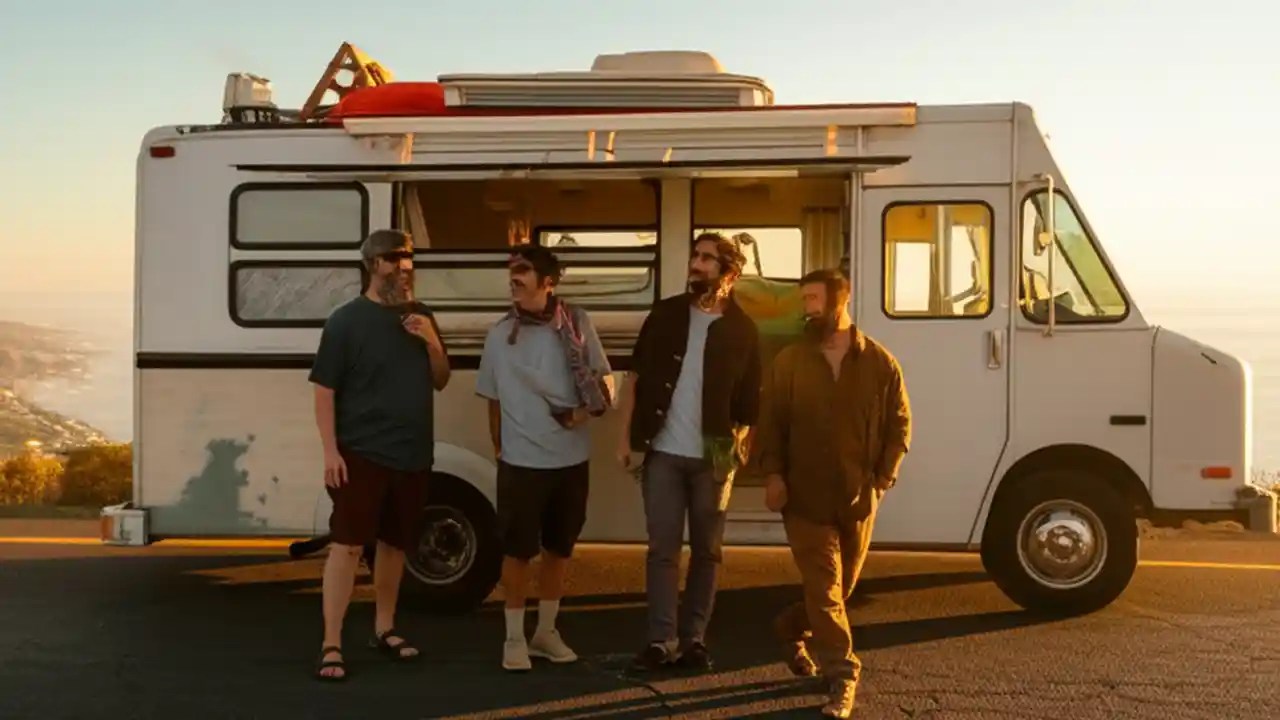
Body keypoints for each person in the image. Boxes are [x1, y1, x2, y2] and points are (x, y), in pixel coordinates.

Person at [755, 268, 911, 718]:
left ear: (840, 302)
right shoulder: (790, 361)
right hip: (804, 497)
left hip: (858, 497)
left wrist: (884, 477)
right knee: (825, 591)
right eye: (803, 300)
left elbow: (901, 424)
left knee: (840, 592)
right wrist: (773, 475)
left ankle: (789, 626)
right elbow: (772, 423)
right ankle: (842, 676)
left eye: (813, 300)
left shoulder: (880, 362)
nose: (807, 308)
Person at [308, 229, 451, 682]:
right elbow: (324, 391)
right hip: (362, 452)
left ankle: (384, 628)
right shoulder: (345, 320)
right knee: (348, 546)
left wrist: (430, 339)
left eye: (409, 260)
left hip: (411, 453)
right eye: (394, 260)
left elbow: (442, 378)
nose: (404, 268)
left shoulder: (422, 315)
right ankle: (332, 643)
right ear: (373, 265)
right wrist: (331, 450)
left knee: (394, 545)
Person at [616, 232, 762, 673]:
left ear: (729, 273)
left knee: (707, 551)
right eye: (695, 255)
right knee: (662, 549)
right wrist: (623, 439)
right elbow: (635, 379)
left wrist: (739, 455)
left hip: (714, 455)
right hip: (662, 450)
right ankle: (660, 642)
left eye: (706, 259)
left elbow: (750, 405)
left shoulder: (743, 329)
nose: (695, 264)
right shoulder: (665, 314)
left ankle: (694, 640)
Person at [475, 243, 614, 672]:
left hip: (571, 461)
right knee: (517, 553)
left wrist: (581, 411)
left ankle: (545, 633)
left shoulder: (577, 322)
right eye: (511, 270)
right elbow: (493, 400)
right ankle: (513, 639)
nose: (513, 278)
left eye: (523, 271)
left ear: (548, 282)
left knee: (559, 550)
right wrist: (502, 448)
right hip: (521, 464)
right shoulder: (499, 335)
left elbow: (604, 379)